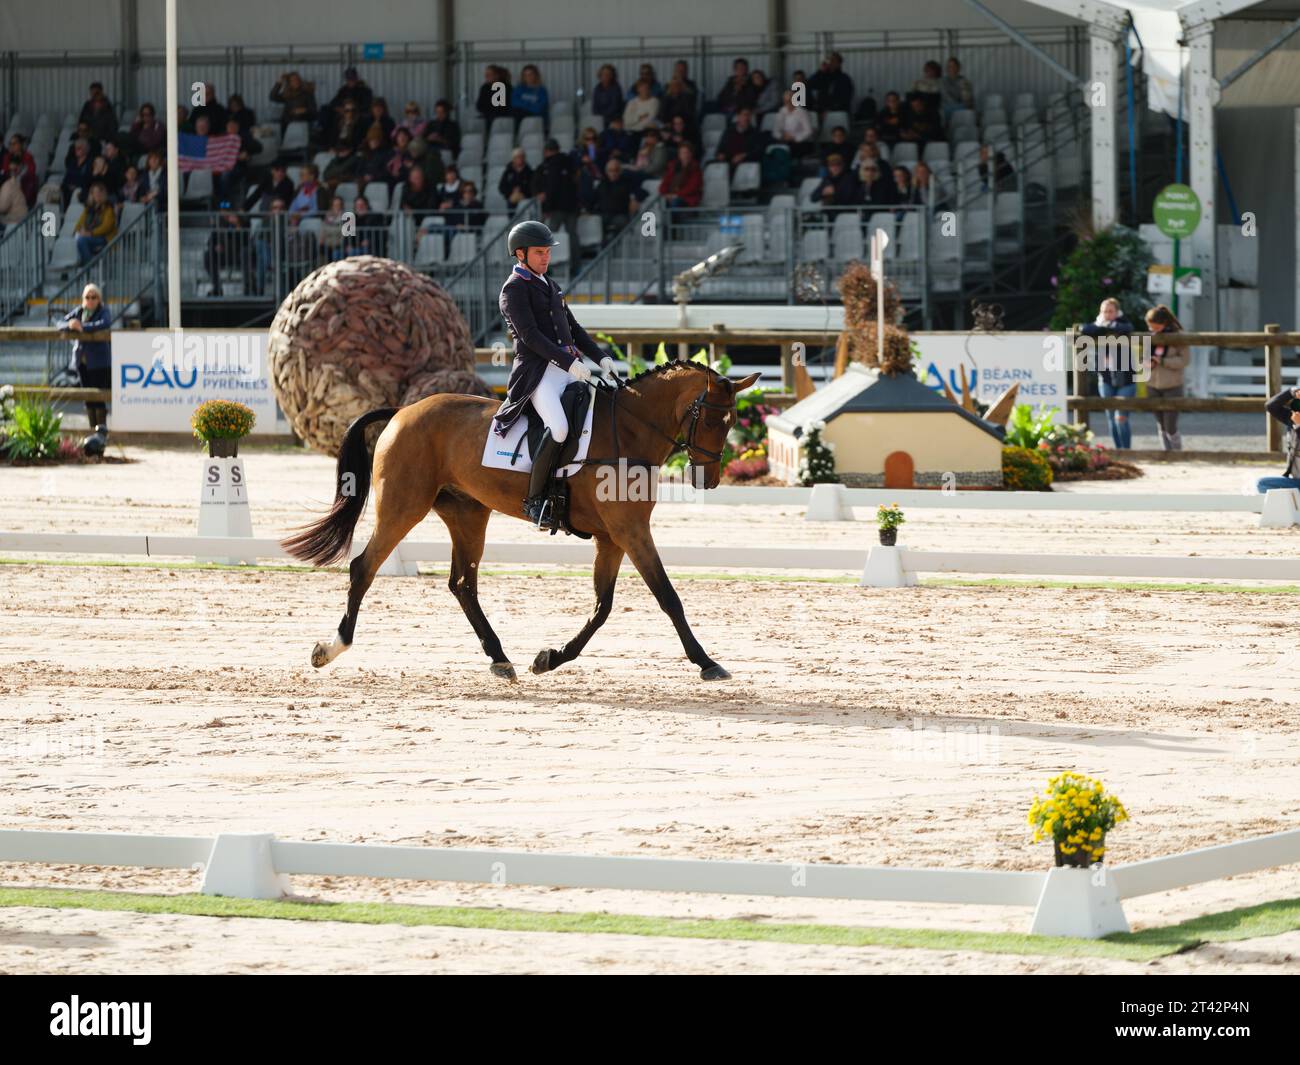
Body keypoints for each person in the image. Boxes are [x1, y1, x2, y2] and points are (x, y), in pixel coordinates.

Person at [494, 220, 605, 530]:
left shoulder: (550, 284)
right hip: (538, 373)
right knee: (557, 428)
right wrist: (568, 363)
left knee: (598, 417)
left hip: (568, 369)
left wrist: (602, 357)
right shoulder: (514, 289)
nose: (546, 258)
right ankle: (535, 501)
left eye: (547, 252)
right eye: (539, 253)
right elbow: (530, 336)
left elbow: (574, 330)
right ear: (520, 254)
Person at [58, 283, 112, 448]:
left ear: (99, 299)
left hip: (99, 362)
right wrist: (70, 326)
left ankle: (101, 432)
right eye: (87, 297)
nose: (90, 300)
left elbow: (104, 324)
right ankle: (92, 431)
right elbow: (60, 323)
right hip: (82, 362)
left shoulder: (104, 311)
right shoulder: (79, 311)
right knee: (87, 397)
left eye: (93, 297)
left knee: (98, 396)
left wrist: (82, 327)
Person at [1080, 297, 1136, 449]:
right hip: (1105, 378)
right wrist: (1103, 325)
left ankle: (1126, 451)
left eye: (1110, 311)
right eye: (1104, 311)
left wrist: (1110, 325)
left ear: (1117, 312)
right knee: (1111, 418)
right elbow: (1084, 330)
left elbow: (1127, 328)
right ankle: (1119, 451)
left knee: (1121, 418)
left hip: (1126, 378)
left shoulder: (1123, 322)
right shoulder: (1098, 325)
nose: (1107, 314)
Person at [1145, 303, 1186, 450]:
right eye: (1151, 328)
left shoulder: (1178, 336)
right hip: (1153, 384)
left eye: (1156, 328)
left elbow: (1184, 360)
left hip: (1172, 385)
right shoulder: (1150, 336)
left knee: (1170, 426)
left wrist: (1162, 361)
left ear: (1165, 323)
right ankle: (1166, 453)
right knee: (1160, 424)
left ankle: (1177, 451)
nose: (1153, 331)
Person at [532, 138, 579, 256]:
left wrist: (547, 208)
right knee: (572, 235)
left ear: (546, 151)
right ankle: (575, 265)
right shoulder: (570, 162)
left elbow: (552, 188)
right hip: (572, 206)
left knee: (550, 236)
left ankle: (548, 265)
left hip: (556, 207)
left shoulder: (550, 165)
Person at [1259, 387, 1300, 494]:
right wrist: (1292, 392)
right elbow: (1271, 406)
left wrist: (1299, 425)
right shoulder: (1293, 419)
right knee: (1262, 483)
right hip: (1296, 482)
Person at [74, 181, 117, 263]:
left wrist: (91, 233)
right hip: (88, 235)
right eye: (94, 192)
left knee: (82, 240)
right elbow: (79, 223)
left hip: (103, 237)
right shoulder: (88, 208)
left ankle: (89, 265)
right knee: (75, 240)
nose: (97, 194)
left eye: (99, 192)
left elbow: (107, 227)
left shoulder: (108, 207)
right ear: (92, 194)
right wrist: (79, 230)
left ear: (103, 194)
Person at [659, 142, 702, 207]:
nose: (685, 155)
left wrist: (676, 195)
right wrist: (665, 194)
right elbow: (665, 183)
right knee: (660, 201)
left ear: (691, 154)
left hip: (687, 198)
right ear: (679, 154)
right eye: (682, 153)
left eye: (687, 152)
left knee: (675, 202)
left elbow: (692, 188)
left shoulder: (695, 168)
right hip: (670, 196)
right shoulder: (673, 166)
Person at [941, 57, 975, 124]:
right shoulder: (942, 81)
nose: (951, 69)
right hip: (946, 108)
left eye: (953, 66)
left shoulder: (964, 81)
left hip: (959, 108)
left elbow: (967, 100)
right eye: (949, 67)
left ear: (958, 68)